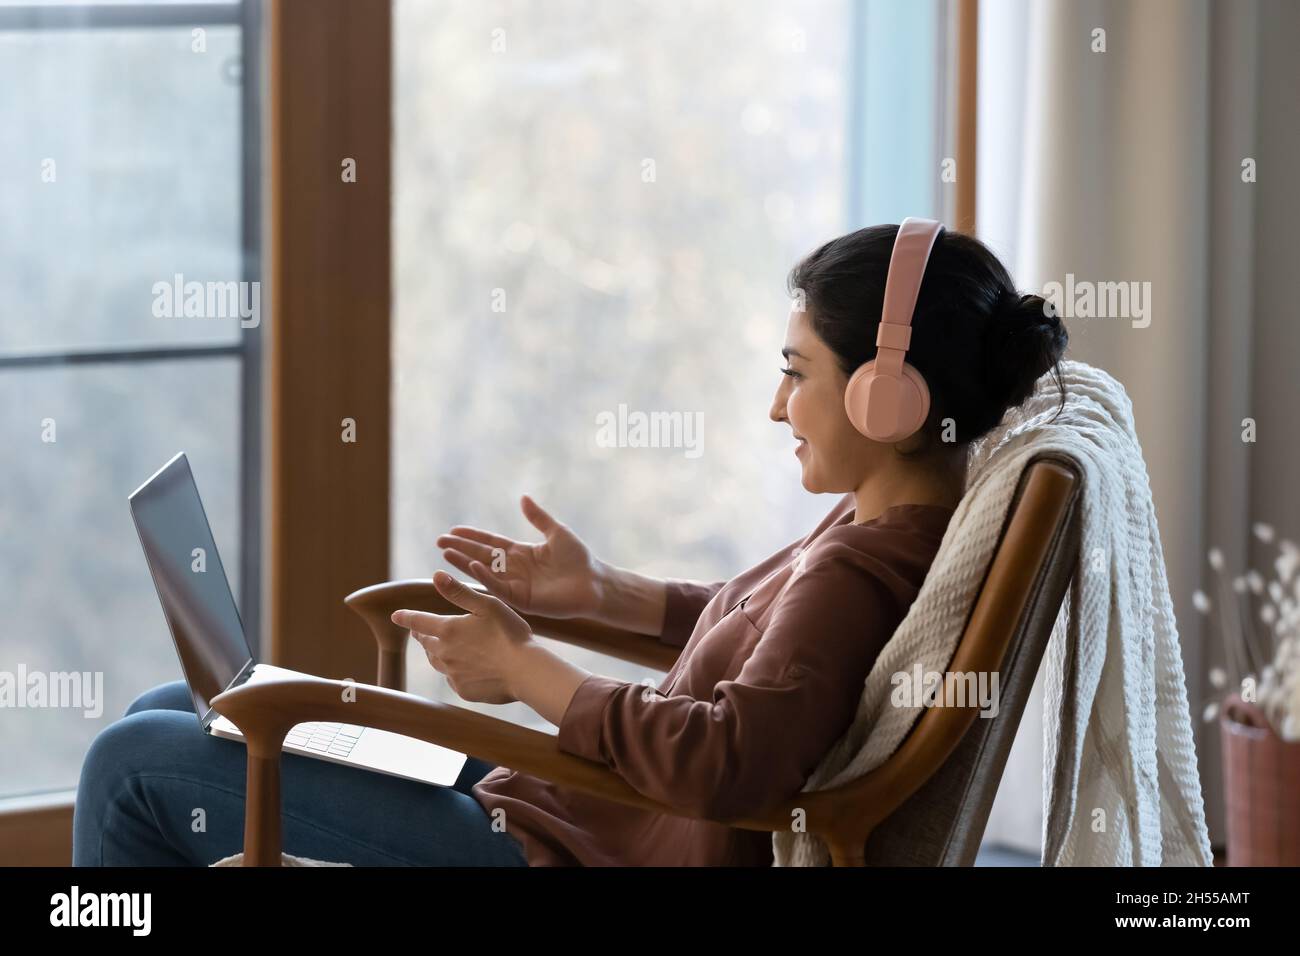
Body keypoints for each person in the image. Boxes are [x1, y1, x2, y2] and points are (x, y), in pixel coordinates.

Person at [73, 223, 1067, 865]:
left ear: (883, 394)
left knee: (133, 760)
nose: (775, 404)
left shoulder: (863, 563)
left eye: (795, 371)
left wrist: (525, 666)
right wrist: (601, 590)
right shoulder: (882, 518)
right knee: (171, 709)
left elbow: (730, 759)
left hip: (563, 848)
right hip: (567, 808)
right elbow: (759, 635)